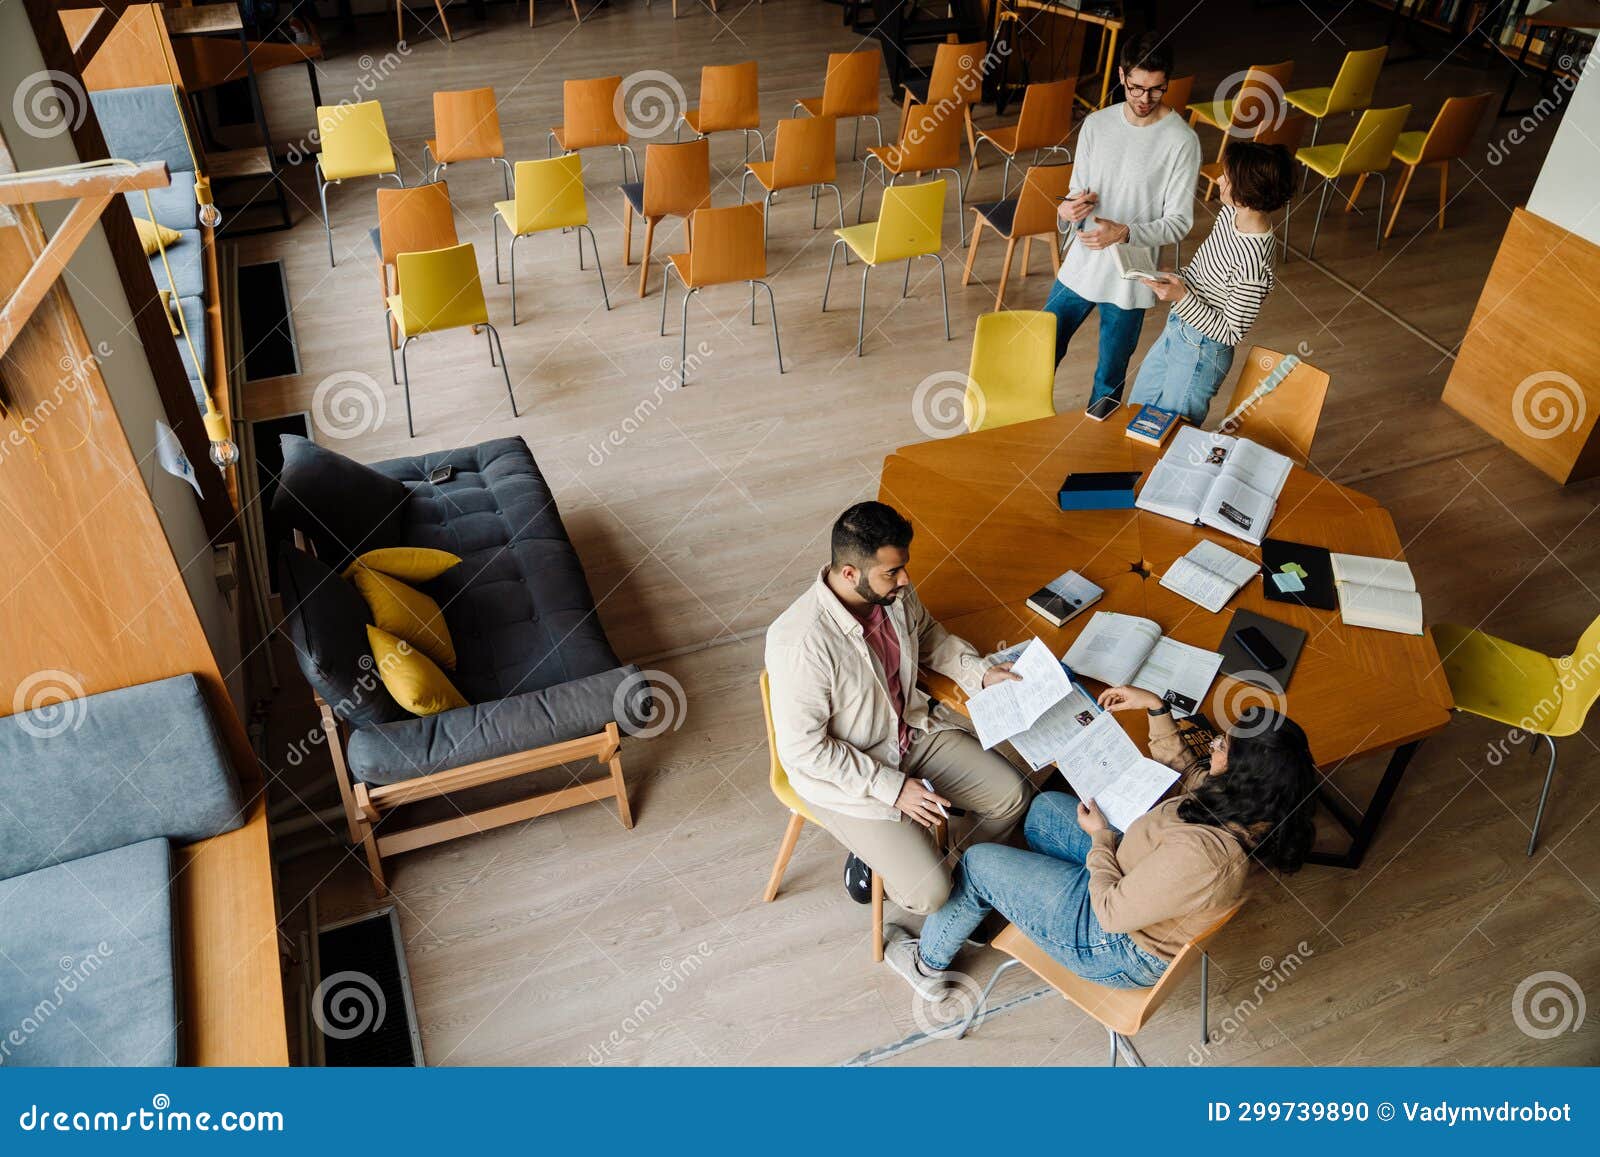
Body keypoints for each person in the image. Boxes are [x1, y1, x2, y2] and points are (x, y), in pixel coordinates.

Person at [881, 685, 1318, 999]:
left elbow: (1110, 914)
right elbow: (1192, 776)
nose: (1214, 747)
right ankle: (1005, 900)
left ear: (1242, 773)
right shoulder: (1257, 806)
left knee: (976, 864)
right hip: (1133, 873)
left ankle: (927, 964)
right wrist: (1154, 708)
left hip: (1112, 942)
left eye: (1222, 746)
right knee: (1047, 807)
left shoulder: (1206, 857)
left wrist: (1100, 840)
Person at [765, 502, 1032, 920]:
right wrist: (892, 788)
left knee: (1013, 797)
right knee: (929, 896)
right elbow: (805, 752)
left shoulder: (893, 593)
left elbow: (928, 635)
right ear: (849, 573)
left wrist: (978, 673)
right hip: (851, 776)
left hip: (910, 733)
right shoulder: (798, 643)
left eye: (903, 567)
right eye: (892, 571)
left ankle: (960, 866)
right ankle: (882, 860)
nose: (905, 579)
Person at [1049, 33, 1201, 410]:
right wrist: (1066, 211)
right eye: (1136, 87)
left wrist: (1127, 232)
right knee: (1039, 353)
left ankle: (1097, 458)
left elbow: (1180, 222)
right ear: (1121, 75)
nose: (1144, 99)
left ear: (1167, 83)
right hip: (1081, 264)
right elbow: (1073, 194)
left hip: (1131, 277)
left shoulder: (1182, 141)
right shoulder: (1096, 125)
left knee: (1109, 378)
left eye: (1155, 90)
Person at [1128, 141, 1297, 423]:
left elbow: (1231, 332)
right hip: (1177, 328)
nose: (1218, 179)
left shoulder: (1253, 261)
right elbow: (1206, 272)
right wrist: (1177, 278)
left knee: (1168, 432)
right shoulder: (1231, 214)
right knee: (1135, 412)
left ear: (1247, 191)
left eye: (1227, 177)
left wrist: (1182, 297)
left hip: (1201, 352)